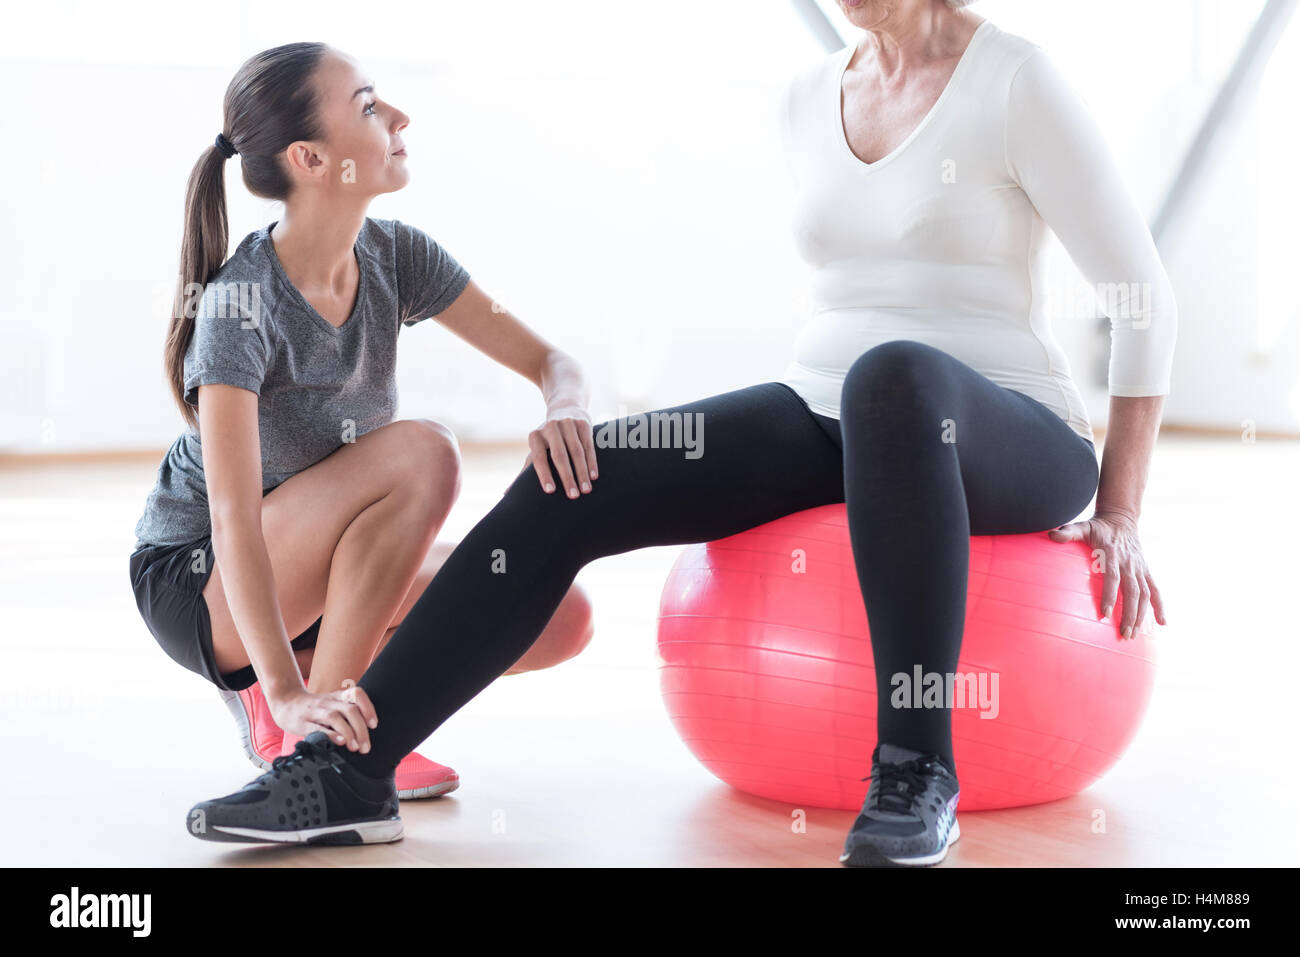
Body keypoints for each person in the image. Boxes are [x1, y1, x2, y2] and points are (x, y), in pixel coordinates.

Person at [185, 0, 1176, 867]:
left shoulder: (1011, 79)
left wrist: (1123, 509)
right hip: (828, 408)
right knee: (580, 474)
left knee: (896, 377)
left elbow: (1144, 299)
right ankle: (349, 772)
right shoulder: (809, 97)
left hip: (1005, 430)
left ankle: (919, 771)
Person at [128, 41, 596, 800]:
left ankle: (358, 716)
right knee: (424, 454)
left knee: (555, 610)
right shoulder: (239, 306)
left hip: (310, 568)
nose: (399, 116)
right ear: (312, 159)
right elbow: (233, 518)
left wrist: (565, 405)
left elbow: (553, 360)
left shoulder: (395, 257)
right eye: (371, 106)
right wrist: (280, 684)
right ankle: (318, 738)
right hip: (200, 580)